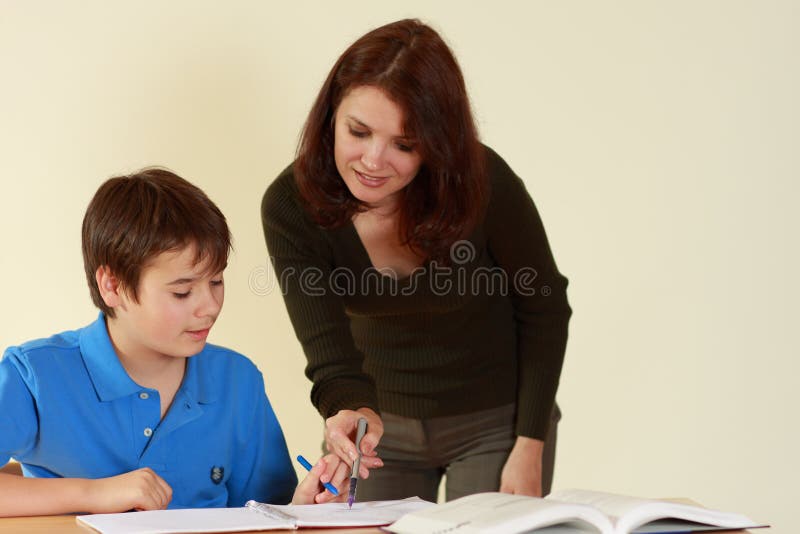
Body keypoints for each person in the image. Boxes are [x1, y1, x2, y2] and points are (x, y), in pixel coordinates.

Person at [261, 19, 571, 503]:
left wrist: (530, 443)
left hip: (496, 421)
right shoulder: (290, 206)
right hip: (380, 431)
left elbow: (545, 309)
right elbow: (329, 352)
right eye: (358, 132)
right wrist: (347, 414)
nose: (373, 160)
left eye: (404, 145)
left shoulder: (483, 183)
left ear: (437, 143)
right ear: (330, 117)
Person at [0, 168, 346, 517]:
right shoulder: (33, 376)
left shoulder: (237, 380)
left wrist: (304, 508)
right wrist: (94, 494)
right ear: (113, 285)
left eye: (216, 282)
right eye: (182, 292)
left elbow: (263, 512)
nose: (210, 307)